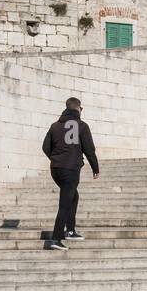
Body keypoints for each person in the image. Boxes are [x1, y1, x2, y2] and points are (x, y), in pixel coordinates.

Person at [41, 96, 99, 250]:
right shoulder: (82, 126)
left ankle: (71, 230)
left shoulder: (54, 126)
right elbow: (89, 149)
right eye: (81, 109)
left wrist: (56, 158)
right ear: (78, 108)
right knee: (65, 203)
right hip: (70, 169)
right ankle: (55, 239)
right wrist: (95, 168)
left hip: (56, 169)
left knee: (73, 196)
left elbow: (45, 147)